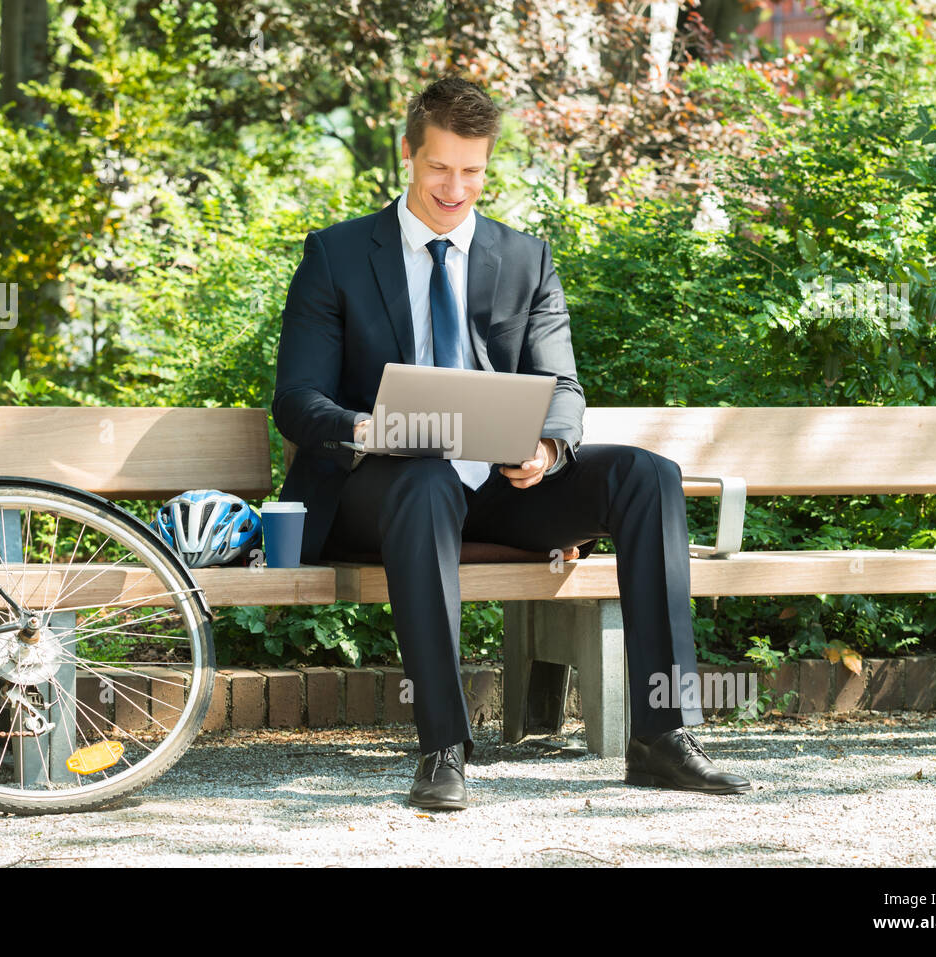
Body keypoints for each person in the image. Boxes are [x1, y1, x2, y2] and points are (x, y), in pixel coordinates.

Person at [271, 75, 750, 810]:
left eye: (472, 170)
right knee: (427, 478)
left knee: (648, 475)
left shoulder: (526, 259)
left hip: (499, 484)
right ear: (408, 153)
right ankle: (443, 746)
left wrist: (549, 451)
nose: (454, 187)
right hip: (384, 488)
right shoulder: (337, 256)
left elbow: (562, 389)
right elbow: (297, 402)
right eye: (438, 167)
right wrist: (374, 428)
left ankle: (663, 733)